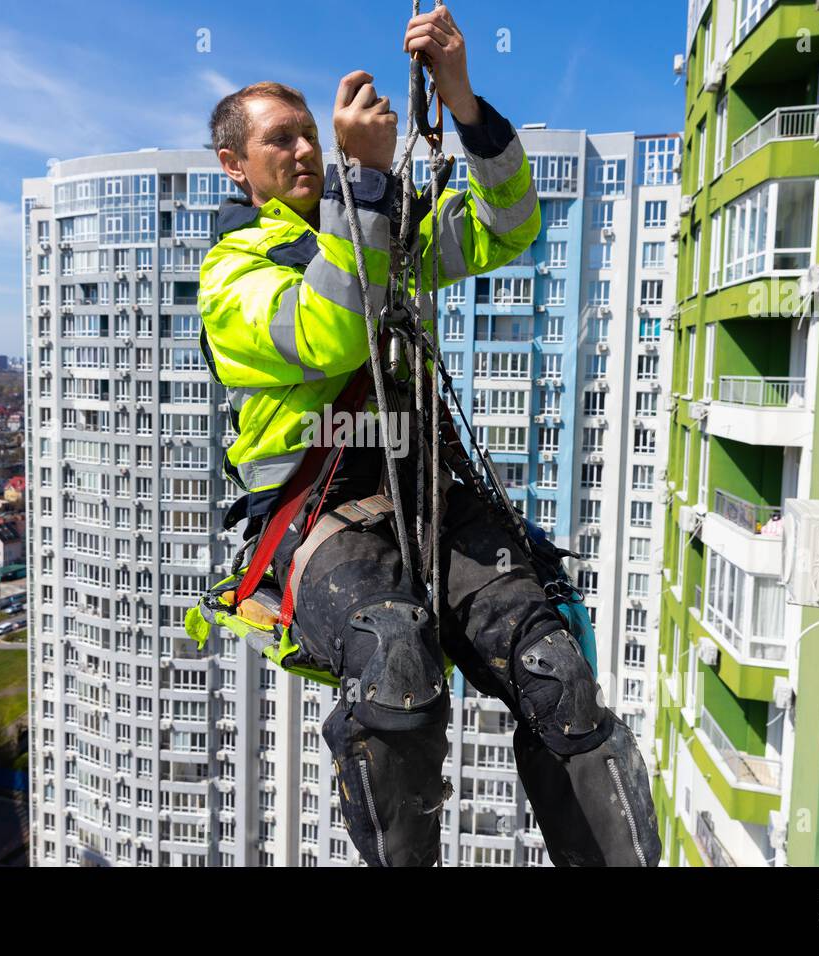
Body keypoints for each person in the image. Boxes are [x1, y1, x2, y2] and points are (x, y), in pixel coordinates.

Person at [194, 4, 660, 867]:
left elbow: (510, 222)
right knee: (395, 658)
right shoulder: (233, 274)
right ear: (236, 166)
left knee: (556, 672)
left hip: (426, 498)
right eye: (280, 141)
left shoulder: (376, 226)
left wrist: (463, 101)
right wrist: (365, 187)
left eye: (308, 135)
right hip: (319, 511)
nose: (302, 151)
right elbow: (331, 330)